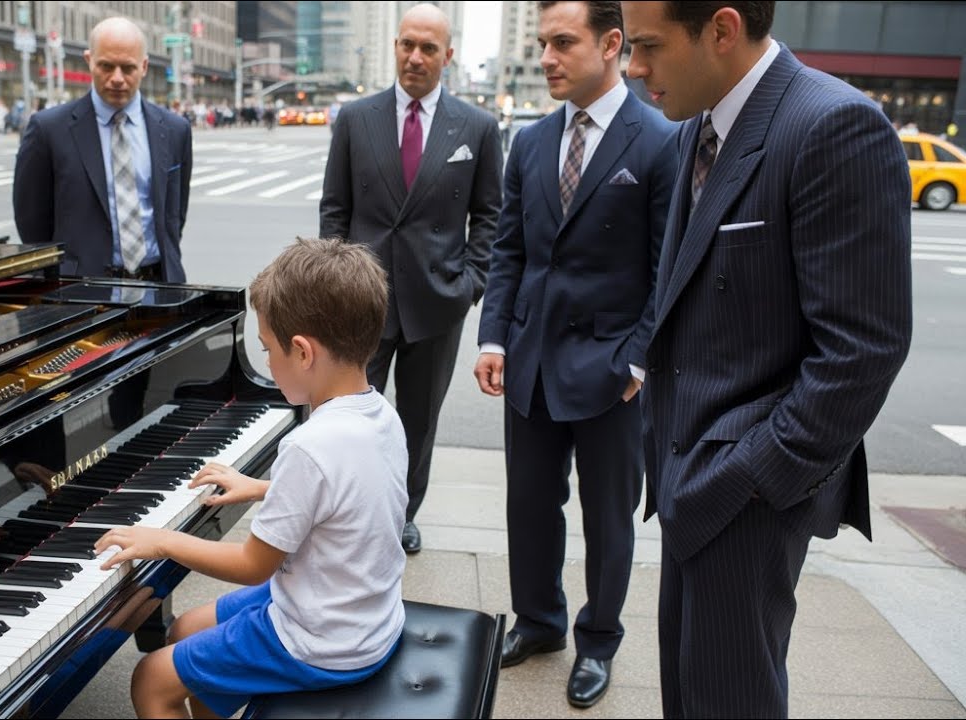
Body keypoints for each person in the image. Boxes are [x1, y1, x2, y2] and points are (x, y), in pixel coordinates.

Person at [620, 2, 913, 716]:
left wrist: (749, 476)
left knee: (730, 697)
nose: (632, 67)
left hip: (748, 493)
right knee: (688, 690)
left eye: (648, 46)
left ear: (721, 29)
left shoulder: (833, 126)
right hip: (689, 475)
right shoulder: (700, 123)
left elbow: (863, 351)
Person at [94, 237, 408, 719]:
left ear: (302, 352)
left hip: (322, 640)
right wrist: (264, 487)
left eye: (267, 350)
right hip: (363, 614)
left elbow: (251, 565)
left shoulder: (310, 445)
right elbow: (349, 495)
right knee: (184, 631)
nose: (266, 363)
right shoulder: (381, 414)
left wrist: (163, 541)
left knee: (151, 679)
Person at [474, 0, 677, 709]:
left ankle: (598, 642)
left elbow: (667, 268)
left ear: (612, 43)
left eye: (563, 43)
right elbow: (510, 251)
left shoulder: (659, 142)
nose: (547, 57)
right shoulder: (529, 142)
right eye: (542, 43)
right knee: (529, 504)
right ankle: (539, 621)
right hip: (529, 360)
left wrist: (639, 361)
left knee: (607, 517)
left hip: (612, 373)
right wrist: (495, 336)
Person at [319, 2, 503, 554]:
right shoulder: (356, 118)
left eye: (428, 48)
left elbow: (490, 216)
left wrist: (470, 281)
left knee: (418, 423)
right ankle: (344, 514)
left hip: (436, 300)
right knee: (346, 416)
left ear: (448, 55)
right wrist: (336, 281)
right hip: (361, 301)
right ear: (394, 47)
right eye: (406, 45)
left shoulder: (477, 126)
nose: (415, 57)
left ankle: (403, 513)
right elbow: (335, 209)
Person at [14, 16, 193, 282]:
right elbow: (31, 222)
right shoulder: (48, 129)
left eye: (128, 68)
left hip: (161, 286)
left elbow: (174, 215)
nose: (117, 78)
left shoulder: (175, 129)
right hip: (80, 292)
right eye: (106, 66)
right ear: (89, 60)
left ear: (144, 66)